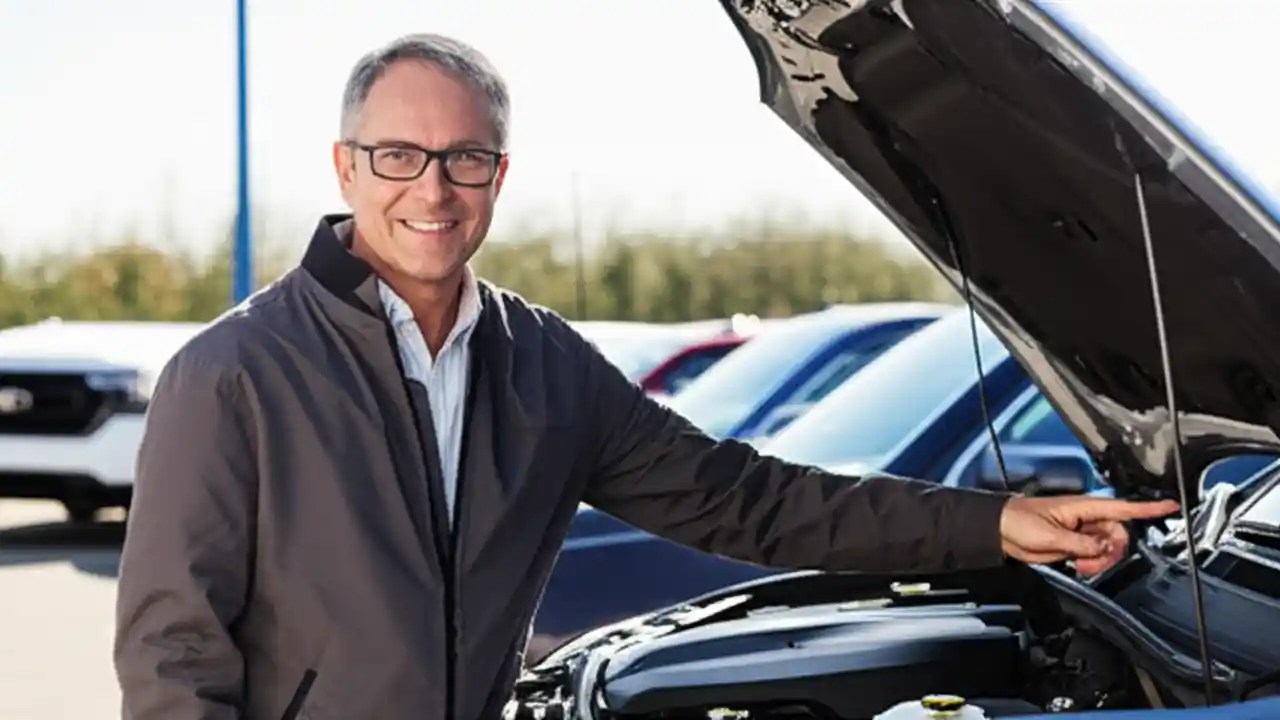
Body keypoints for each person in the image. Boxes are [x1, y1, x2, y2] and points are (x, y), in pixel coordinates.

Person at [112, 33, 1179, 720]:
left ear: (497, 175)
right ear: (346, 166)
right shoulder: (233, 373)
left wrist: (994, 527)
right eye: (399, 156)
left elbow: (755, 504)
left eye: (464, 159)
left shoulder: (544, 369)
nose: (432, 189)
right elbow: (172, 655)